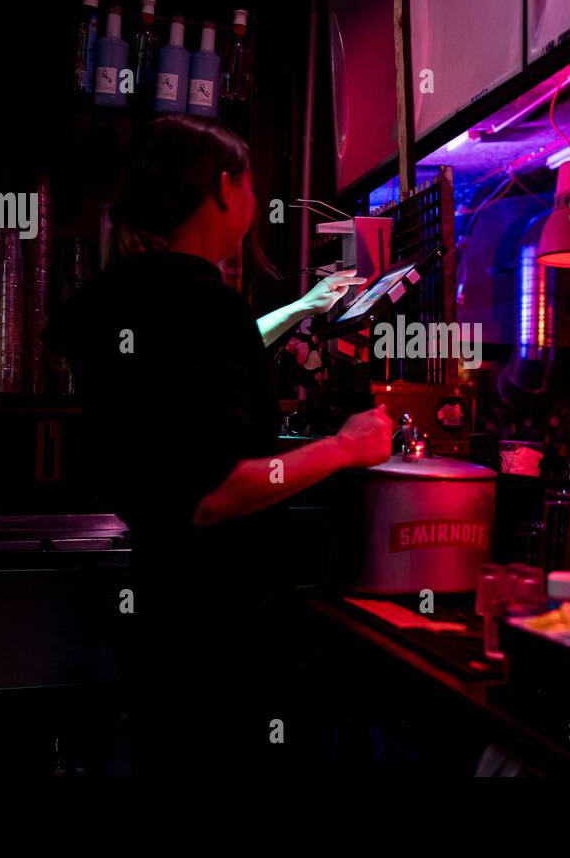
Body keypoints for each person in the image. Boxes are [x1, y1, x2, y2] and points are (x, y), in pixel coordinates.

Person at [45, 116, 392, 774]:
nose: (257, 201)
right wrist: (346, 446)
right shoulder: (200, 302)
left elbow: (188, 371)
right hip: (218, 632)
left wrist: (294, 312)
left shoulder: (130, 295)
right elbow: (211, 493)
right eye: (253, 183)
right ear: (226, 189)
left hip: (160, 617)